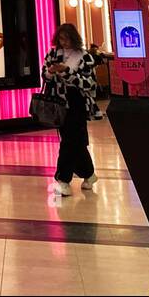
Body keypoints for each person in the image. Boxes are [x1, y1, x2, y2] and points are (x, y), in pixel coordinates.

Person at [43, 22, 99, 197]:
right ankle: (88, 173)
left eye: (67, 39)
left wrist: (67, 72)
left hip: (77, 102)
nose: (64, 42)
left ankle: (63, 179)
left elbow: (89, 83)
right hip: (60, 103)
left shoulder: (84, 57)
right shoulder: (53, 54)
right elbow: (45, 75)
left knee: (69, 141)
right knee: (74, 141)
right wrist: (51, 72)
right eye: (61, 39)